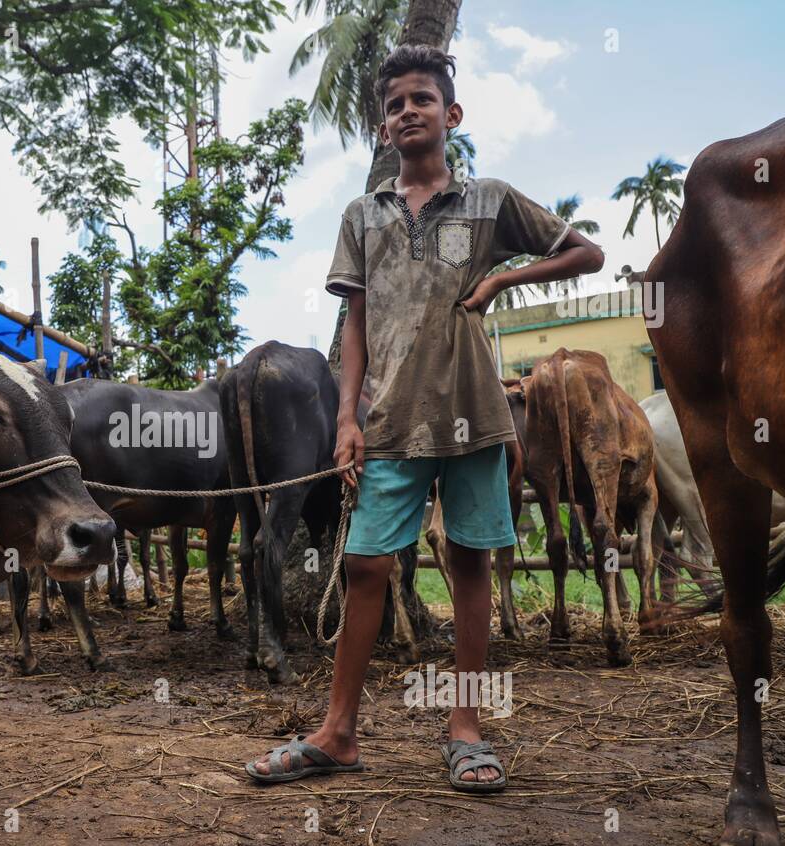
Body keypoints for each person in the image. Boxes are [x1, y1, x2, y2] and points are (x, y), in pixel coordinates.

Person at [244, 45, 604, 791]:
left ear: (452, 115)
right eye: (396, 104)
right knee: (366, 562)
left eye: (423, 100)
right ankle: (338, 732)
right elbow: (355, 324)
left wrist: (506, 275)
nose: (409, 111)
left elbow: (587, 254)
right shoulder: (363, 216)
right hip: (389, 421)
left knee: (470, 560)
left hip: (474, 414)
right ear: (382, 127)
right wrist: (347, 420)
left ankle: (465, 727)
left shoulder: (490, 202)